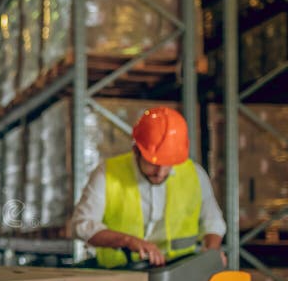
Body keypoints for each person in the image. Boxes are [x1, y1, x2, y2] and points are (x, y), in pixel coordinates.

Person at [72, 107, 227, 268]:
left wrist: (212, 251)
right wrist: (127, 241)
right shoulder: (107, 173)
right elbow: (81, 225)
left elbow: (213, 222)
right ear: (136, 151)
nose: (160, 173)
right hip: (121, 274)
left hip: (179, 274)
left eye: (167, 165)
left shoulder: (194, 174)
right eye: (153, 164)